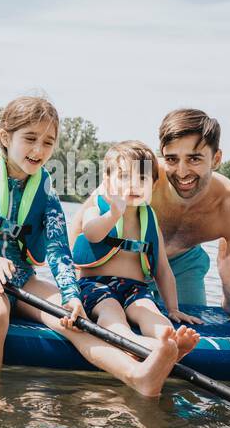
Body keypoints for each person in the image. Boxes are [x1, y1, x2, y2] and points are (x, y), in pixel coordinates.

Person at [0, 96, 181, 397]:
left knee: (76, 319)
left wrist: (71, 295)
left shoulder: (46, 194)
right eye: (30, 139)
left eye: (48, 142)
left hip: (24, 279)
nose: (39, 150)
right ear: (5, 137)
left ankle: (137, 375)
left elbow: (58, 251)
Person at [71, 141, 203, 356]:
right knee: (110, 309)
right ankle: (130, 341)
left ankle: (168, 341)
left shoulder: (150, 222)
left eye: (142, 178)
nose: (133, 185)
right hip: (94, 286)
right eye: (123, 177)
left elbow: (162, 269)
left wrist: (173, 308)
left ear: (153, 185)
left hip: (135, 288)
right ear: (107, 181)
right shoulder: (96, 209)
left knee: (150, 311)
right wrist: (113, 215)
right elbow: (92, 233)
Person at [150, 108, 230, 319]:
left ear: (216, 158)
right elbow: (80, 231)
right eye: (172, 159)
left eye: (194, 159)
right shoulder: (141, 177)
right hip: (129, 258)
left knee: (192, 331)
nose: (182, 172)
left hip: (183, 265)